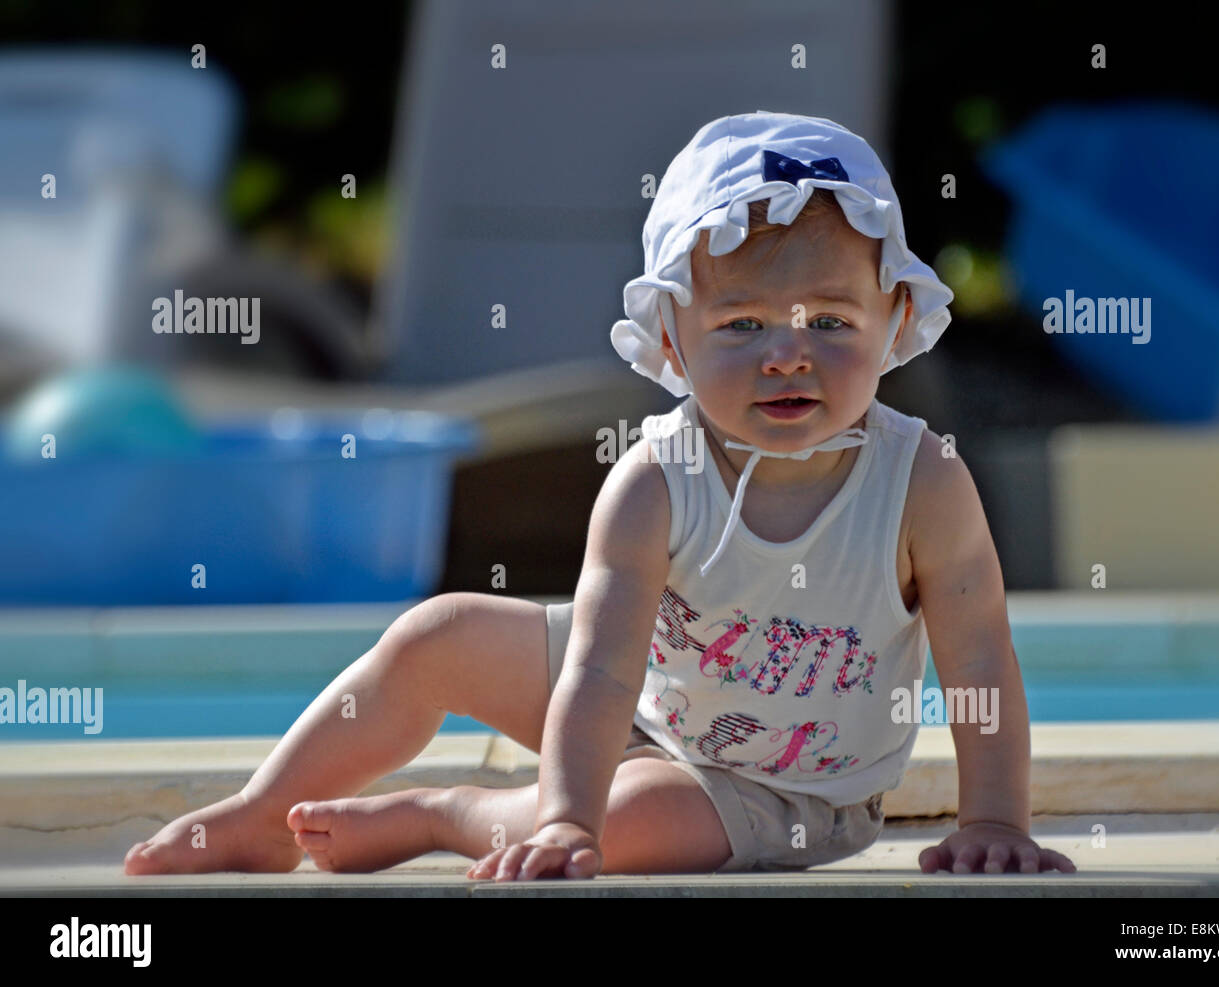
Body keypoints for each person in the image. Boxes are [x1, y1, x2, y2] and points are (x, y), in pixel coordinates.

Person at [123, 110, 1075, 880]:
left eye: (829, 319)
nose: (788, 353)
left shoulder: (922, 482)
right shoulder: (656, 478)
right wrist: (566, 812)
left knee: (628, 823)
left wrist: (995, 816)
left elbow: (980, 655)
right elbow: (599, 671)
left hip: (786, 790)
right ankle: (260, 815)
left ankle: (448, 813)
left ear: (896, 317)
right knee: (434, 635)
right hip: (639, 698)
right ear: (673, 335)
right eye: (741, 323)